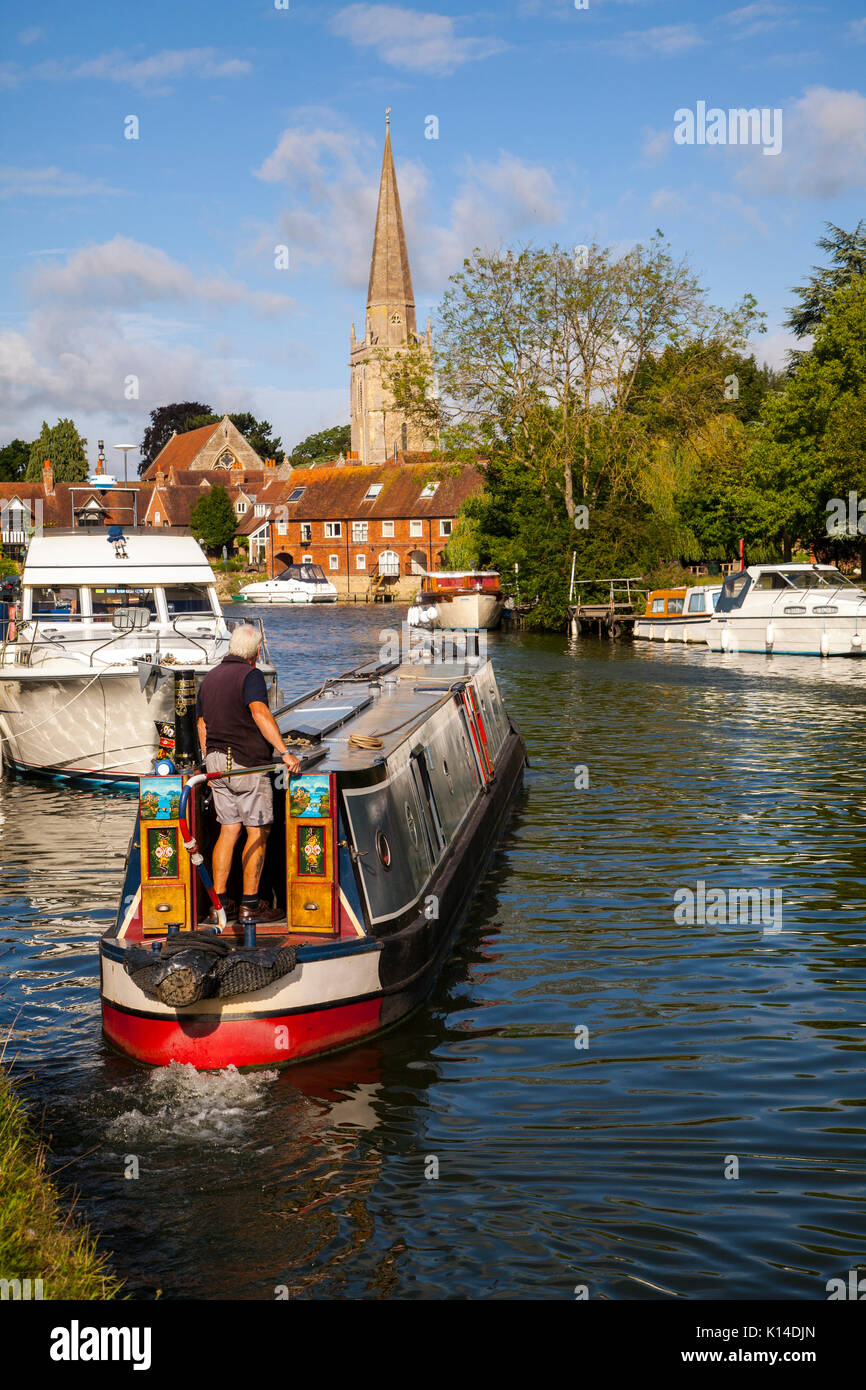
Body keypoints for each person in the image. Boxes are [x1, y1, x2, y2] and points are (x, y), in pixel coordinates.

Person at [196, 625, 300, 925]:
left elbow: (202, 724)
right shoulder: (250, 676)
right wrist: (284, 752)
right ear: (256, 653)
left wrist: (207, 758)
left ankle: (221, 904)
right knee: (257, 830)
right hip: (246, 765)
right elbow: (259, 712)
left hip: (215, 763)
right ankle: (251, 906)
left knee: (229, 830)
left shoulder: (211, 677)